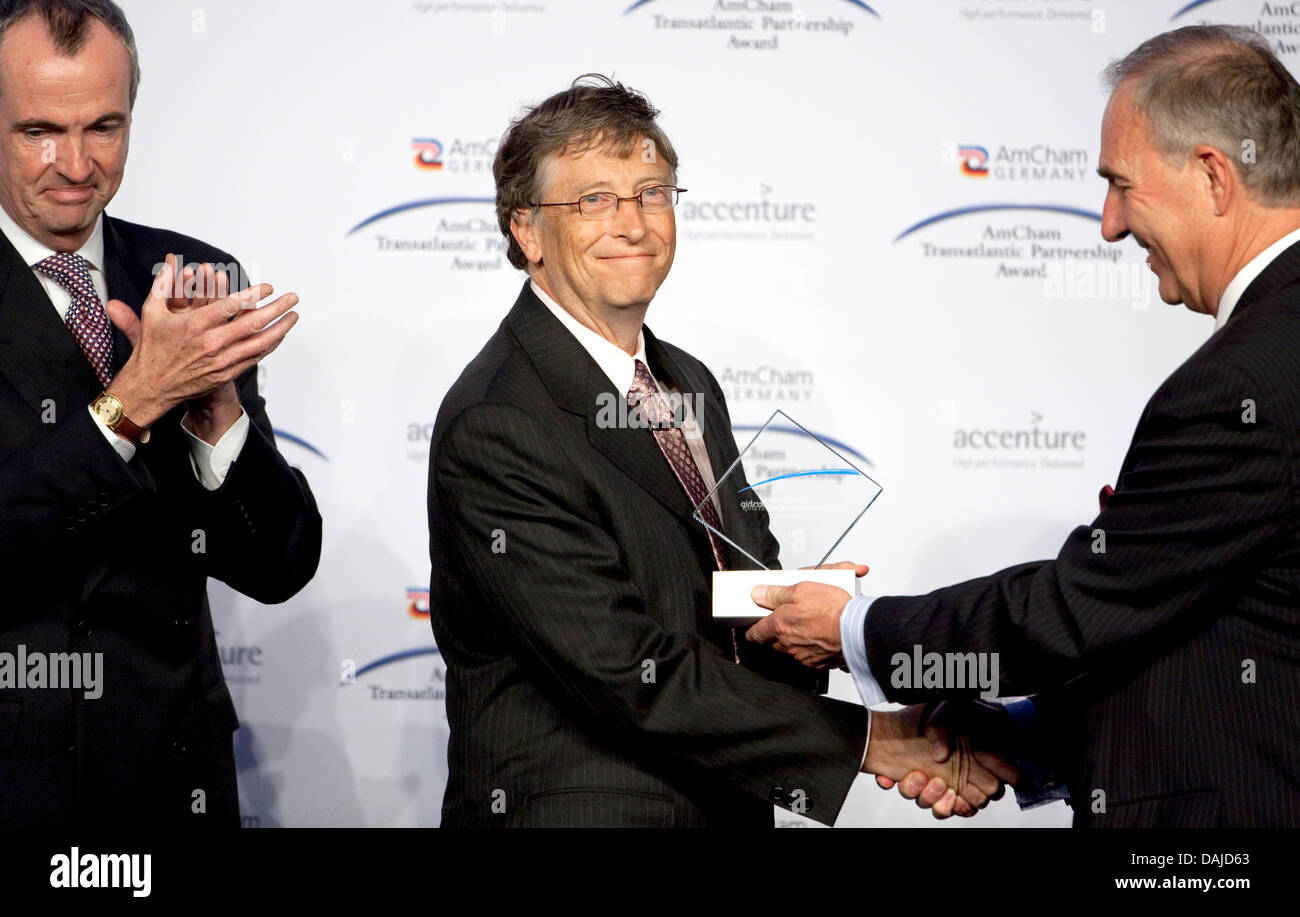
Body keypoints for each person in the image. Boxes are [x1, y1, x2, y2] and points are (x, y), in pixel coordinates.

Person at [749, 24, 1300, 827]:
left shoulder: (1244, 381)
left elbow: (1080, 607)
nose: (1109, 224)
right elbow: (1203, 638)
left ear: (1214, 175)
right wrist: (1028, 734)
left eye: (1122, 185)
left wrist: (856, 629)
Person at [427, 74, 1010, 827]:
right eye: (595, 199)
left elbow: (713, 591)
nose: (633, 223)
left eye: (652, 193)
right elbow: (622, 671)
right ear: (528, 231)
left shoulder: (684, 379)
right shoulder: (500, 419)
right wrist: (874, 739)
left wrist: (788, 612)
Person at [0, 0, 320, 826]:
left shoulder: (191, 275)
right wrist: (134, 402)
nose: (75, 164)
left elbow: (278, 563)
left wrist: (215, 418)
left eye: (103, 126)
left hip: (176, 778)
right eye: (39, 130)